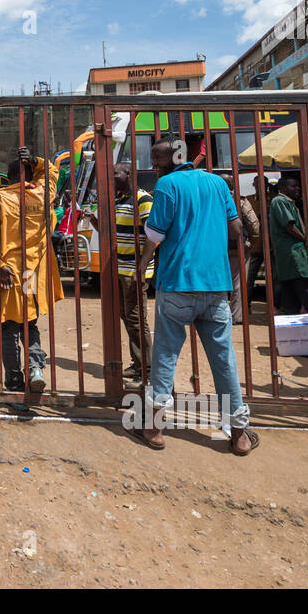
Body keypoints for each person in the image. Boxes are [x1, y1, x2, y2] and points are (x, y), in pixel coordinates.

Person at [135, 138, 257, 455]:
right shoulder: (217, 184)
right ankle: (240, 433)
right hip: (215, 285)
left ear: (174, 158)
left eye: (157, 159)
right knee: (224, 360)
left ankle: (154, 427)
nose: (154, 165)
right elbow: (236, 229)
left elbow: (155, 234)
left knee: (164, 356)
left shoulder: (167, 186)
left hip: (177, 282)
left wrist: (143, 265)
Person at [0, 147, 64, 393]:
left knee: (8, 326)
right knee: (30, 323)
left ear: (9, 177)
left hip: (8, 274)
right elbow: (53, 172)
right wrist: (37, 161)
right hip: (31, 274)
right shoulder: (42, 195)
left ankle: (14, 379)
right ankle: (36, 368)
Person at [84, 163, 152, 379]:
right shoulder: (119, 199)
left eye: (115, 173)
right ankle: (138, 362)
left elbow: (152, 235)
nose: (111, 178)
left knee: (136, 318)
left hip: (134, 271)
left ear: (129, 174)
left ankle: (147, 369)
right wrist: (93, 219)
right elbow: (108, 231)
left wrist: (140, 268)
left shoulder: (143, 199)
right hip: (120, 269)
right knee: (127, 315)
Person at [220, 174, 261, 323]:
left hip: (216, 249)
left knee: (219, 283)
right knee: (238, 284)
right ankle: (236, 317)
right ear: (232, 185)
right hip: (238, 248)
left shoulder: (210, 199)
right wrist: (251, 242)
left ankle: (219, 315)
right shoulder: (240, 201)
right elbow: (254, 224)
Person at [268, 174, 308, 315]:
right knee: (303, 289)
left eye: (298, 186)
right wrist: (305, 239)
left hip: (294, 252)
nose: (297, 189)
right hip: (292, 253)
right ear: (283, 188)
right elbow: (289, 225)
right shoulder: (279, 201)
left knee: (292, 293)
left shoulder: (290, 202)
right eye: (294, 186)